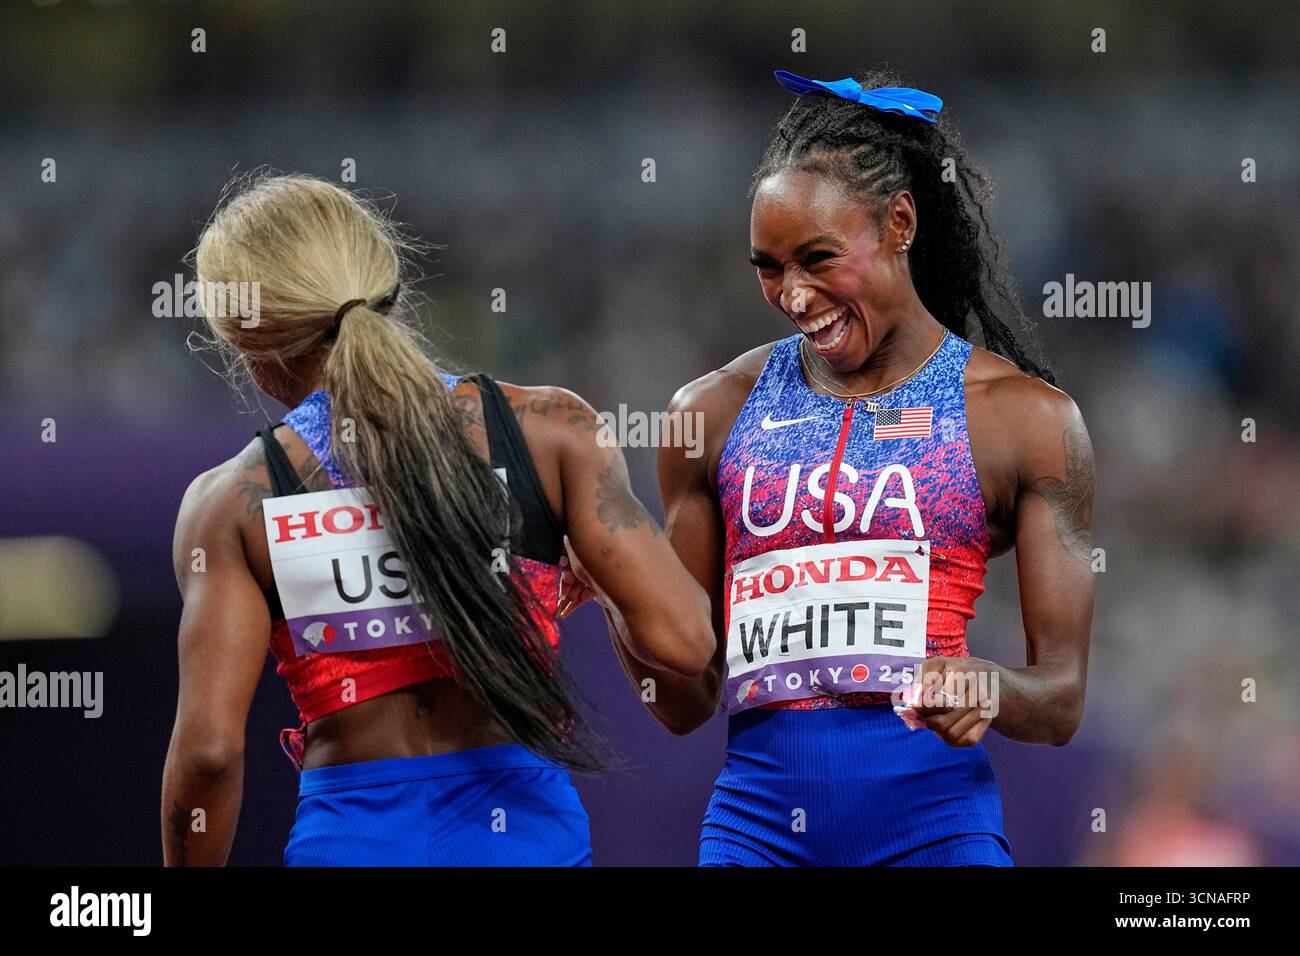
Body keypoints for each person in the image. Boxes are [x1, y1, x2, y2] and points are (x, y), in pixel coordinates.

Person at [160, 172, 714, 866]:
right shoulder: (550, 430)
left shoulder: (232, 503)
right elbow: (687, 645)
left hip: (354, 844)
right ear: (387, 285)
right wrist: (597, 579)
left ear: (250, 345)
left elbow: (209, 754)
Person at [630, 70, 1096, 866]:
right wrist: (615, 580)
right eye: (769, 267)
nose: (794, 295)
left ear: (899, 224)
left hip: (936, 831)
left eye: (818, 259)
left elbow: (1059, 701)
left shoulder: (1027, 420)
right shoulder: (707, 415)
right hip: (756, 834)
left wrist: (988, 687)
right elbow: (684, 699)